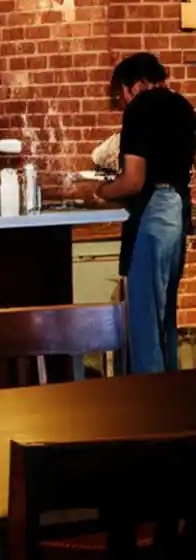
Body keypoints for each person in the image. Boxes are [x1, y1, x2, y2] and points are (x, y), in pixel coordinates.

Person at [94, 52, 195, 374]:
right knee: (165, 316)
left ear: (134, 86)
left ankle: (146, 407)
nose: (121, 104)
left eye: (119, 96)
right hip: (178, 208)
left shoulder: (141, 108)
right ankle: (170, 404)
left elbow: (133, 181)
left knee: (144, 317)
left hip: (155, 211)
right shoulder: (183, 106)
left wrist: (98, 192)